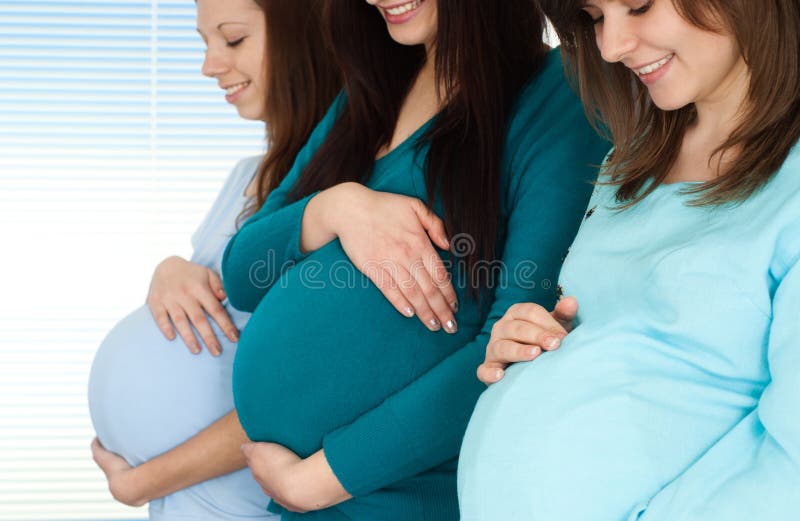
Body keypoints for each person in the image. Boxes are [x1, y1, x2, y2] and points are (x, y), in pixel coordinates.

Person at [218, 0, 608, 519]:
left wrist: (317, 481)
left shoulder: (557, 94)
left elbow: (515, 341)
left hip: (391, 502)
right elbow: (242, 272)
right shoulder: (373, 92)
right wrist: (338, 206)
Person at [458, 0, 800, 519]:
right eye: (595, 17)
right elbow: (629, 346)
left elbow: (789, 467)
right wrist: (532, 344)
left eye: (638, 6)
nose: (611, 46)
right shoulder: (633, 156)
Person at [87, 1, 340, 519]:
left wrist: (142, 481)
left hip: (238, 502)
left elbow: (305, 389)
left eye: (233, 39)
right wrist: (170, 269)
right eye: (205, 43)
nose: (209, 65)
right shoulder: (246, 174)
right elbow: (212, 293)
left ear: (306, 35)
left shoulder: (338, 195)